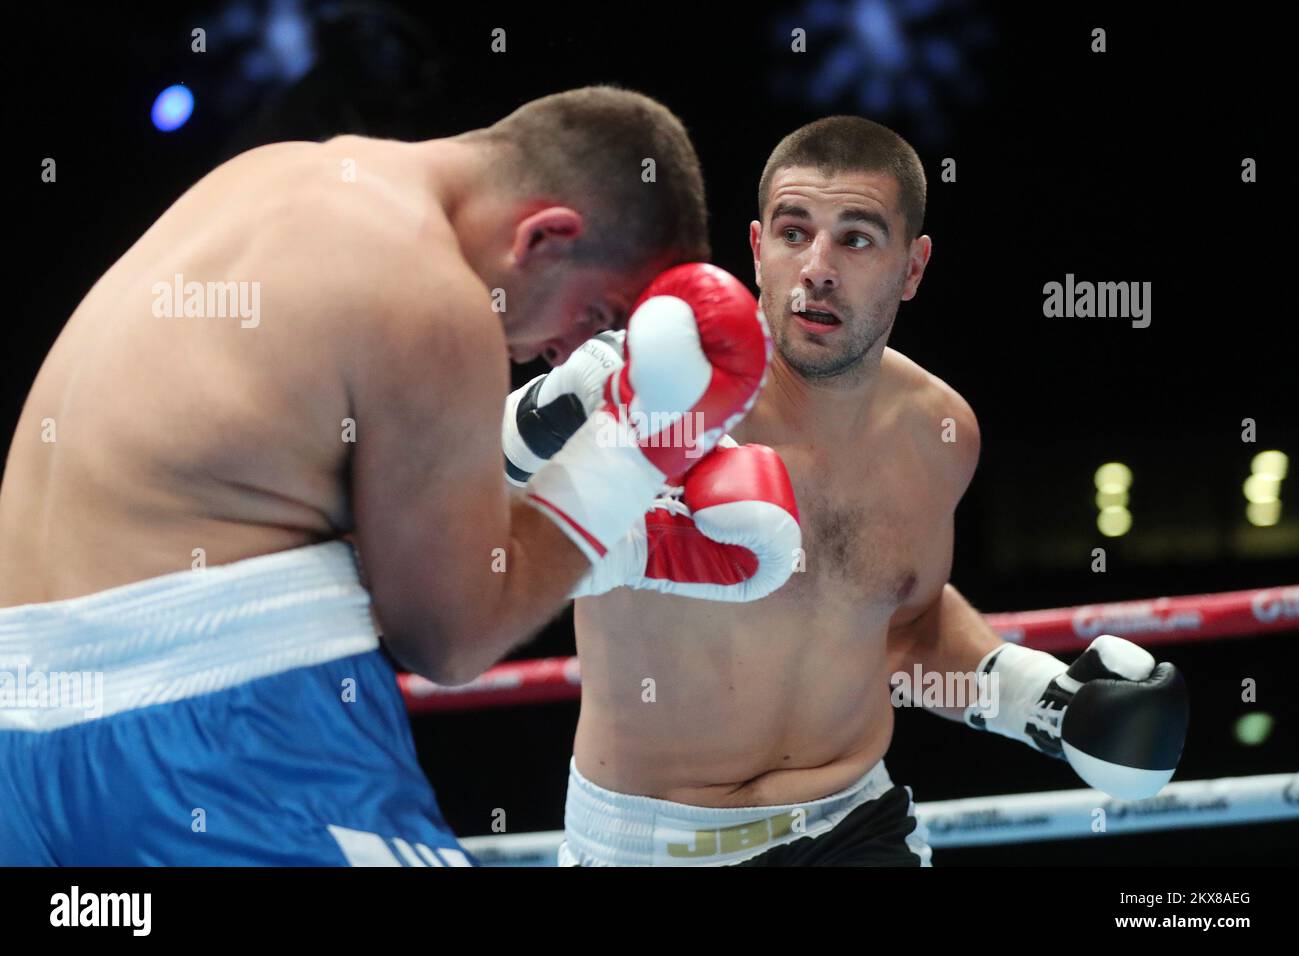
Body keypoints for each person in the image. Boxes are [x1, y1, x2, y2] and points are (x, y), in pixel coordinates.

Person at [0, 86, 776, 865]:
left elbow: (288, 495)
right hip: (213, 739)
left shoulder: (266, 178)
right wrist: (639, 447)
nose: (564, 351)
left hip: (22, 748)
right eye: (600, 316)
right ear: (544, 238)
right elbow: (449, 637)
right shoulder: (433, 297)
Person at [502, 116, 1188, 866]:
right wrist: (548, 408)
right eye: (796, 234)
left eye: (855, 239)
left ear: (913, 268)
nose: (818, 267)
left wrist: (1045, 703)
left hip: (851, 826)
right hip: (651, 844)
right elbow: (457, 524)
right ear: (759, 250)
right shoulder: (656, 391)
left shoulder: (936, 432)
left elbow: (908, 626)